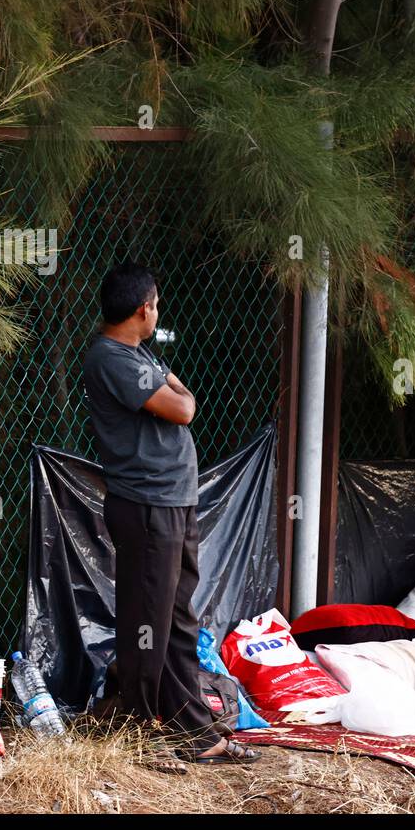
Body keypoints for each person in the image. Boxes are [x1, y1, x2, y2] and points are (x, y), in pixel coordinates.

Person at [82, 262, 259, 769]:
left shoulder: (140, 355)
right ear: (145, 308)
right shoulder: (111, 358)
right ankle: (137, 738)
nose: (157, 311)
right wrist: (178, 393)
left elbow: (182, 398)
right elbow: (184, 408)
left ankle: (192, 731)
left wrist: (176, 391)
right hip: (146, 507)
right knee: (146, 622)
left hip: (175, 503)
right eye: (155, 304)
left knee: (178, 620)